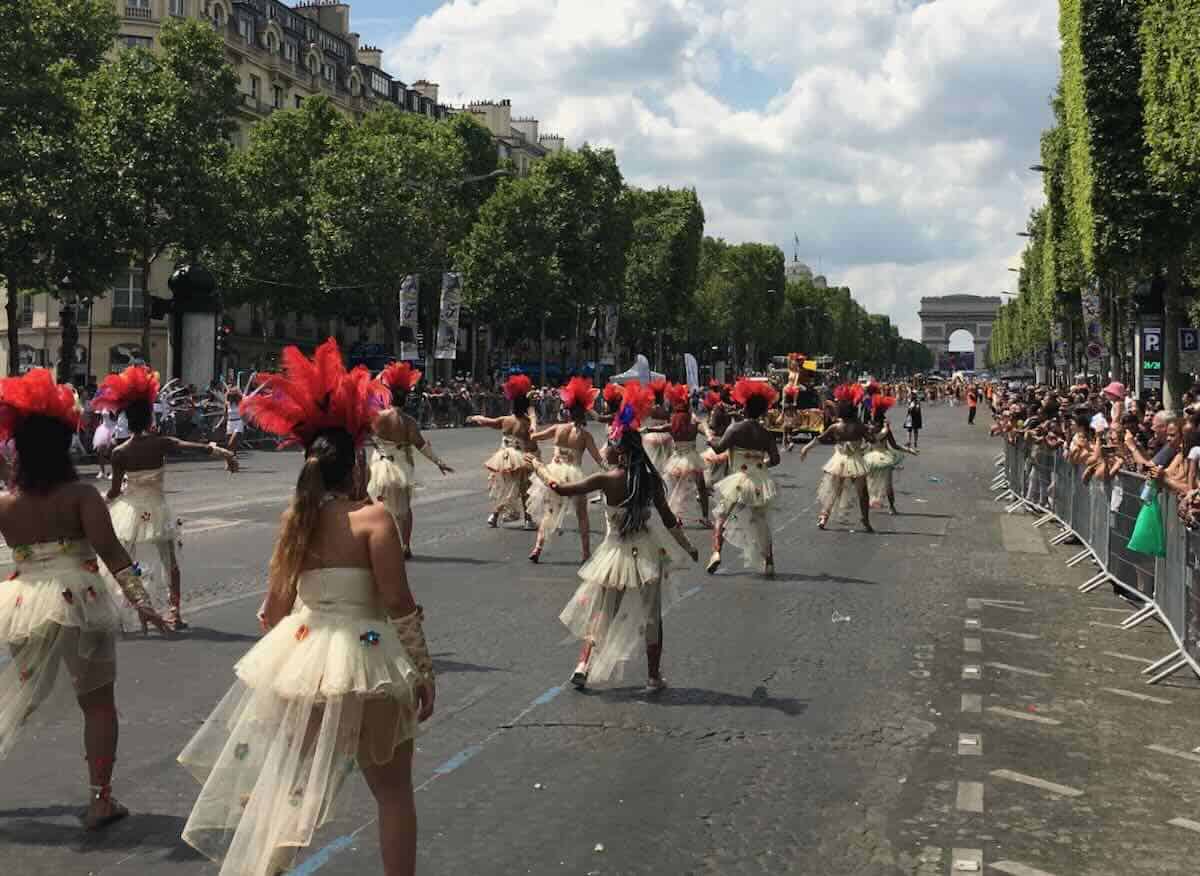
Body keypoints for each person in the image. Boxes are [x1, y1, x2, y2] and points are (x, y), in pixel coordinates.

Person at [179, 339, 434, 876]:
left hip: (307, 657)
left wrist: (295, 635)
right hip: (371, 658)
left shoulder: (294, 523)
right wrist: (424, 670)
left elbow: (271, 610)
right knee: (392, 794)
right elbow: (399, 605)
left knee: (293, 786)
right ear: (357, 461)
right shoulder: (375, 520)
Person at [0, 369, 168, 830]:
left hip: (21, 601)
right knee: (96, 704)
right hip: (79, 598)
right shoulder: (80, 495)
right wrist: (142, 602)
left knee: (21, 695)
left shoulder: (6, 503)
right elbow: (112, 553)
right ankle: (101, 798)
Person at [535, 383, 697, 692]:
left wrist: (538, 467)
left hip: (615, 555)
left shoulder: (605, 479)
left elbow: (559, 489)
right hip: (647, 553)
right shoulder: (649, 479)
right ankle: (652, 676)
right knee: (653, 617)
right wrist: (688, 547)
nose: (605, 447)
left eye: (609, 443)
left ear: (619, 450)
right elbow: (668, 519)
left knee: (602, 611)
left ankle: (583, 664)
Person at [94, 366, 238, 632]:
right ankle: (175, 612)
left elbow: (115, 490)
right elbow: (194, 447)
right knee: (170, 563)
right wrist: (224, 453)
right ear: (150, 417)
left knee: (125, 563)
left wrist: (102, 502)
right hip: (158, 510)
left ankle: (139, 607)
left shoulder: (119, 452)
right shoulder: (160, 443)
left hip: (129, 512)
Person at [369, 362, 453, 559]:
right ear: (406, 399)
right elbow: (421, 445)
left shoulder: (377, 417)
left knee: (378, 506)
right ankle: (405, 544)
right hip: (400, 467)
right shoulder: (409, 422)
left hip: (379, 465)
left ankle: (378, 543)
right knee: (404, 509)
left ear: (389, 396)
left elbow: (365, 435)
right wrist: (439, 463)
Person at [707, 379, 781, 575]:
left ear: (745, 407)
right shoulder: (766, 434)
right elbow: (775, 459)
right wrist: (760, 464)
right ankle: (769, 562)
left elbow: (718, 448)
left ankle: (716, 553)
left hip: (737, 480)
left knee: (721, 515)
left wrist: (708, 436)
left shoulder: (735, 428)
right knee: (761, 521)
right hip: (759, 482)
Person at [526, 377, 604, 564]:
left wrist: (533, 421)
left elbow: (534, 437)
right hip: (574, 476)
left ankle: (538, 548)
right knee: (582, 515)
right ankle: (585, 554)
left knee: (549, 511)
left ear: (567, 411)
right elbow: (598, 459)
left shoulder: (558, 428)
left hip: (554, 471)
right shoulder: (585, 436)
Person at [468, 374, 538, 529]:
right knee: (523, 489)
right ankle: (528, 519)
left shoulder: (505, 420)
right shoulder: (526, 423)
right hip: (519, 458)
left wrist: (475, 417)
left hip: (503, 456)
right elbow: (532, 443)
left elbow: (488, 422)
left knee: (506, 488)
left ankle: (494, 516)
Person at [802, 384, 873, 532]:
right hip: (855, 461)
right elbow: (872, 439)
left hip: (839, 461)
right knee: (863, 493)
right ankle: (865, 519)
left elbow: (819, 439)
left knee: (833, 489)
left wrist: (806, 448)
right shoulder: (859, 426)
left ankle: (823, 517)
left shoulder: (836, 427)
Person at [648, 382, 710, 525]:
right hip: (693, 459)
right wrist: (709, 435)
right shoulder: (693, 425)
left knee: (677, 489)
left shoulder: (672, 425)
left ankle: (677, 517)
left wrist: (646, 430)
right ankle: (705, 517)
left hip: (676, 460)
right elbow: (703, 428)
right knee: (701, 488)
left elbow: (660, 428)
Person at [864, 397, 918, 514]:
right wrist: (909, 450)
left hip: (870, 457)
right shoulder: (884, 430)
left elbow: (866, 443)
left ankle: (869, 504)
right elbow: (895, 446)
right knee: (887, 485)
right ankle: (891, 507)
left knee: (871, 482)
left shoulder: (868, 429)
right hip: (884, 458)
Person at [641, 378, 675, 473]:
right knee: (666, 459)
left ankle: (653, 472)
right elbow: (669, 422)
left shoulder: (651, 409)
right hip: (666, 436)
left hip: (651, 435)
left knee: (652, 458)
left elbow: (643, 418)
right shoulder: (666, 409)